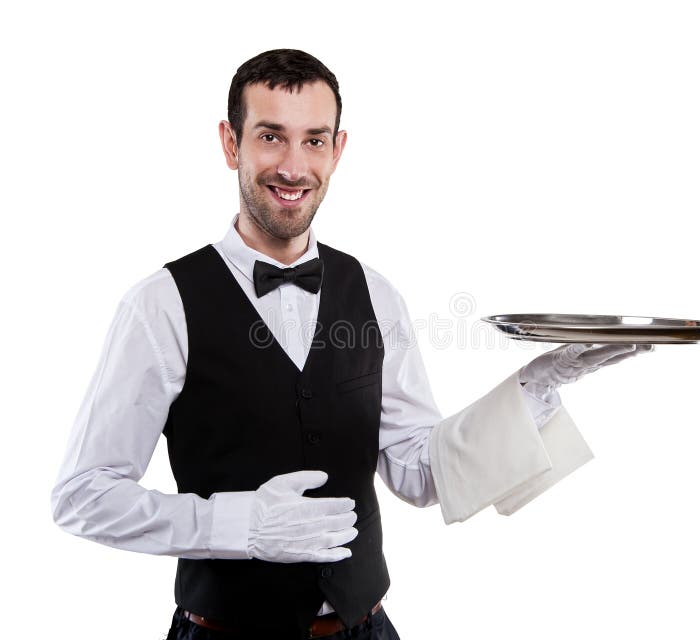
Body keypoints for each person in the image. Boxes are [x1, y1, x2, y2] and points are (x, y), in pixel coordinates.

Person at [51, 49, 651, 640]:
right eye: (270, 137)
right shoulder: (159, 305)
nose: (293, 167)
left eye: (314, 140)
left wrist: (536, 386)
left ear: (337, 150)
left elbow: (420, 472)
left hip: (366, 627)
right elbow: (83, 495)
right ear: (231, 144)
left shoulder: (376, 294)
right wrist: (234, 524)